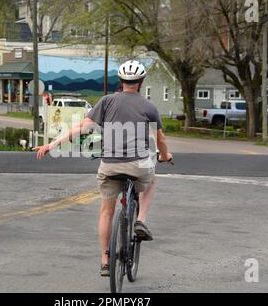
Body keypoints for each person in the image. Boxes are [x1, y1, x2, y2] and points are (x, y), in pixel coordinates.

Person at [35, 60, 173, 277]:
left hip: (110, 165)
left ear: (120, 81)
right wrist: (165, 156)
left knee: (106, 211)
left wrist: (51, 144)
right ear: (141, 82)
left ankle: (105, 260)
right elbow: (161, 139)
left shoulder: (107, 101)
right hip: (138, 165)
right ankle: (140, 221)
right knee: (151, 178)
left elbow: (80, 127)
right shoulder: (149, 107)